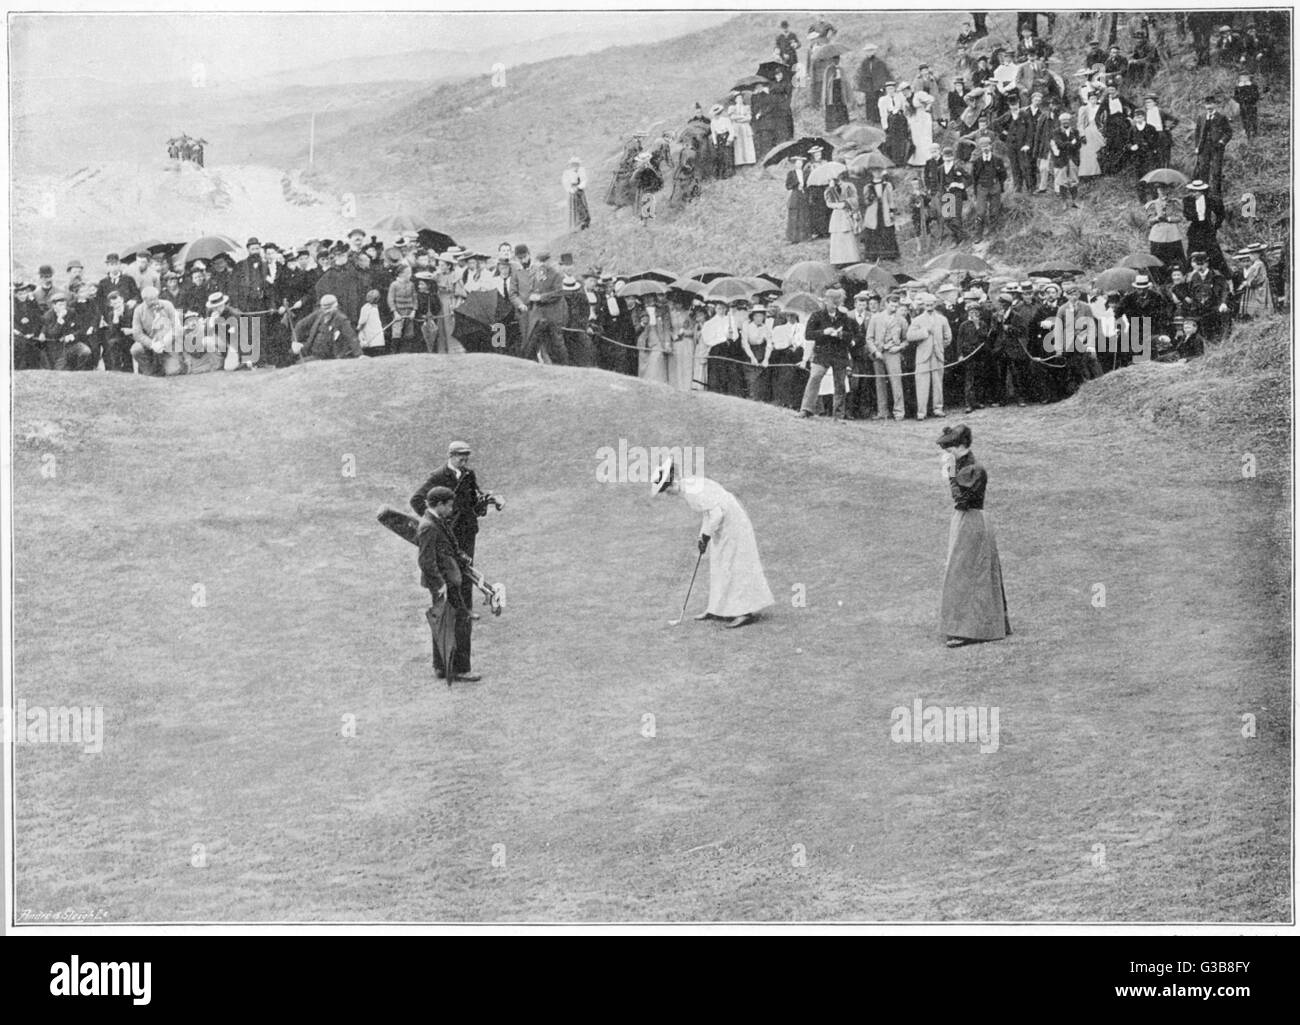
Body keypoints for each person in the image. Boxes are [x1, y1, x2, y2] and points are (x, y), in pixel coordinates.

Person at [651, 457, 774, 629]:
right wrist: (702, 536)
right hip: (723, 525)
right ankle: (716, 609)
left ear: (671, 485)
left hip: (733, 524)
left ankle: (744, 612)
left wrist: (706, 536)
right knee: (719, 564)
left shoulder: (691, 491)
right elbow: (707, 512)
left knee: (735, 565)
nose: (668, 495)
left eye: (666, 491)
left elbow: (716, 514)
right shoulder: (688, 488)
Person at [411, 440, 503, 621]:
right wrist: (434, 521)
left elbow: (475, 499)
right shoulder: (437, 476)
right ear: (451, 456)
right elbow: (416, 499)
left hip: (467, 530)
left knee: (466, 570)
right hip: (448, 532)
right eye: (461, 458)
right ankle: (450, 611)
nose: (464, 462)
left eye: (466, 459)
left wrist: (489, 501)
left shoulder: (468, 474)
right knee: (450, 572)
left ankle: (465, 610)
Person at [936, 425, 1010, 647]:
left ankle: (967, 629)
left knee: (964, 573)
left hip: (972, 521)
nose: (948, 452)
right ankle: (975, 625)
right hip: (964, 520)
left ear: (960, 446)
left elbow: (961, 499)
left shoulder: (974, 469)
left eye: (950, 447)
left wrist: (949, 474)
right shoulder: (963, 464)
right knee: (965, 571)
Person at [417, 486, 480, 684]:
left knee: (443, 623)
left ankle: (441, 666)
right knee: (461, 621)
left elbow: (448, 546)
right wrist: (440, 584)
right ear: (440, 504)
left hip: (446, 582)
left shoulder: (435, 520)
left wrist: (461, 557)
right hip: (445, 585)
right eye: (449, 505)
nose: (452, 509)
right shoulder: (429, 526)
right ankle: (461, 669)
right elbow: (426, 560)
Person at [797, 287, 854, 420]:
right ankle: (806, 409)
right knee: (815, 378)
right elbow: (808, 335)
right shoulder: (816, 316)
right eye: (829, 302)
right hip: (822, 354)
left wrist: (840, 334)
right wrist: (824, 332)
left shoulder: (844, 317)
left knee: (840, 384)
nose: (832, 305)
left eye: (835, 302)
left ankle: (838, 415)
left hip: (840, 355)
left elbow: (850, 335)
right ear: (825, 302)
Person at [910, 292, 951, 420]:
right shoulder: (917, 320)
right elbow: (909, 336)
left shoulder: (942, 319)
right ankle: (921, 412)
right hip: (923, 356)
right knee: (922, 384)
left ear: (935, 304)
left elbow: (948, 337)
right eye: (926, 303)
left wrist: (939, 347)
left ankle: (938, 409)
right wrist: (924, 332)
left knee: (938, 383)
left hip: (937, 355)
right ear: (923, 305)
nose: (929, 305)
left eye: (931, 303)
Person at [292, 293, 361, 361]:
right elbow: (300, 325)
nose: (326, 312)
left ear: (335, 307)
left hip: (331, 357)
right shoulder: (319, 313)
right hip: (315, 354)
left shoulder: (341, 319)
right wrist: (294, 342)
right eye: (324, 309)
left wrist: (359, 355)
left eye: (329, 309)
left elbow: (351, 337)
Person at [1183, 180, 1229, 276]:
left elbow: (1221, 213)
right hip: (1195, 228)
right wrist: (1195, 214)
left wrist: (1216, 226)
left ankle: (1225, 276)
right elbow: (1187, 215)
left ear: (1202, 191)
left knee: (1214, 252)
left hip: (1207, 228)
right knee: (1192, 253)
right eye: (1192, 191)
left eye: (1196, 191)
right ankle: (1189, 276)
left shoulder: (1211, 200)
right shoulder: (1187, 200)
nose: (1194, 193)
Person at [968, 135, 1007, 241]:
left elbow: (1003, 175)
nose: (985, 148)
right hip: (982, 188)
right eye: (983, 146)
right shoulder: (977, 162)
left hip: (995, 187)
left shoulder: (997, 160)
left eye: (987, 146)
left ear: (991, 146)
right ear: (980, 148)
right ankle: (978, 234)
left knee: (994, 211)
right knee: (980, 212)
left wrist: (999, 185)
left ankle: (992, 232)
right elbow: (974, 177)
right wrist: (976, 191)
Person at [1193, 94, 1231, 197]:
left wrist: (1221, 142)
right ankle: (1204, 192)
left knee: (1216, 170)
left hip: (1216, 148)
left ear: (1215, 105)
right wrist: (1197, 146)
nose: (1209, 107)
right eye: (1207, 104)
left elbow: (1228, 132)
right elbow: (1197, 133)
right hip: (1204, 147)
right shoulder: (1201, 117)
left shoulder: (1221, 117)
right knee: (1203, 169)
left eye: (1211, 104)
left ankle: (1216, 193)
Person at [858, 168, 899, 260]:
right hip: (873, 213)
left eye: (879, 171)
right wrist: (870, 199)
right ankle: (873, 255)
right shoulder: (868, 186)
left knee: (886, 231)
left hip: (884, 212)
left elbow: (891, 200)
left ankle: (888, 255)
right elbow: (865, 202)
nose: (877, 173)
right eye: (875, 171)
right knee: (873, 232)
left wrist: (892, 211)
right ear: (872, 172)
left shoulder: (887, 185)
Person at [825, 172, 862, 266]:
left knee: (847, 234)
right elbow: (828, 202)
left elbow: (855, 199)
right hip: (837, 214)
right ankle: (839, 260)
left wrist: (846, 203)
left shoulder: (849, 186)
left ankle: (851, 258)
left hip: (846, 213)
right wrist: (831, 189)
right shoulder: (830, 189)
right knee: (837, 235)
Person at [1049, 110, 1081, 209]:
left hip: (1072, 159)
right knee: (1062, 181)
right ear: (1060, 122)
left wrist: (1068, 144)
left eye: (1067, 120)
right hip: (1061, 160)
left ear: (1070, 121)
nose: (1065, 122)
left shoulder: (1075, 131)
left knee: (1074, 180)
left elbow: (1078, 145)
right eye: (1063, 120)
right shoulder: (1056, 132)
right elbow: (1059, 144)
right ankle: (1064, 202)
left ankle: (1074, 201)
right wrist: (1071, 143)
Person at [1234, 243, 1275, 318]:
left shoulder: (1259, 264)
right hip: (1256, 286)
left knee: (1260, 301)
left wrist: (1249, 283)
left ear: (1257, 254)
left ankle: (1261, 316)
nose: (1250, 256)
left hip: (1260, 286)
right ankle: (1254, 316)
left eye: (1252, 254)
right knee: (1254, 301)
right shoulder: (1255, 264)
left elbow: (1260, 277)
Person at [785, 155, 812, 243]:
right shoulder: (791, 173)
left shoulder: (805, 173)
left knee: (804, 215)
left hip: (804, 195)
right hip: (796, 195)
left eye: (801, 163)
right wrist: (796, 185)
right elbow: (788, 186)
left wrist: (804, 187)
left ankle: (805, 237)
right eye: (797, 162)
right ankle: (794, 238)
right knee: (795, 215)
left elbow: (808, 183)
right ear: (795, 164)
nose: (799, 164)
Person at [561, 156, 591, 231]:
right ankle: (576, 224)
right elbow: (565, 183)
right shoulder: (567, 173)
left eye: (576, 164)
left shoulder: (581, 170)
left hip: (579, 191)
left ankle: (585, 221)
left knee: (582, 204)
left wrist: (579, 187)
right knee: (574, 207)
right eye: (573, 164)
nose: (575, 165)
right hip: (573, 192)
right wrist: (571, 189)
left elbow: (584, 180)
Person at [822, 55, 849, 131]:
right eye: (835, 60)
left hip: (840, 88)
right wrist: (832, 77)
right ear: (832, 60)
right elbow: (826, 83)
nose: (836, 61)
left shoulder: (841, 69)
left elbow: (845, 80)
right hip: (832, 90)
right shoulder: (828, 69)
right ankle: (832, 126)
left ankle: (843, 124)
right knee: (832, 106)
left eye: (838, 59)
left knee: (841, 105)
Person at [729, 93, 757, 167]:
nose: (740, 100)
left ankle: (750, 160)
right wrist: (742, 117)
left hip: (745, 127)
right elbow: (732, 117)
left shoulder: (746, 107)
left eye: (741, 98)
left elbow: (749, 117)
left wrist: (740, 118)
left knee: (747, 143)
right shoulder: (733, 108)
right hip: (737, 128)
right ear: (735, 100)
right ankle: (740, 161)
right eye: (738, 98)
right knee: (739, 144)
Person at [1234, 74, 1260, 141]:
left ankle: (1255, 132)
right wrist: (1240, 101)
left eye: (1245, 77)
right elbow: (1235, 96)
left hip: (1252, 105)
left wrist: (1252, 100)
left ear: (1248, 78)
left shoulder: (1253, 86)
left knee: (1253, 118)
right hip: (1243, 106)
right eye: (1242, 77)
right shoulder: (1238, 87)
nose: (1244, 78)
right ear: (1240, 78)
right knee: (1244, 119)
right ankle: (1247, 132)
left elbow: (1257, 95)